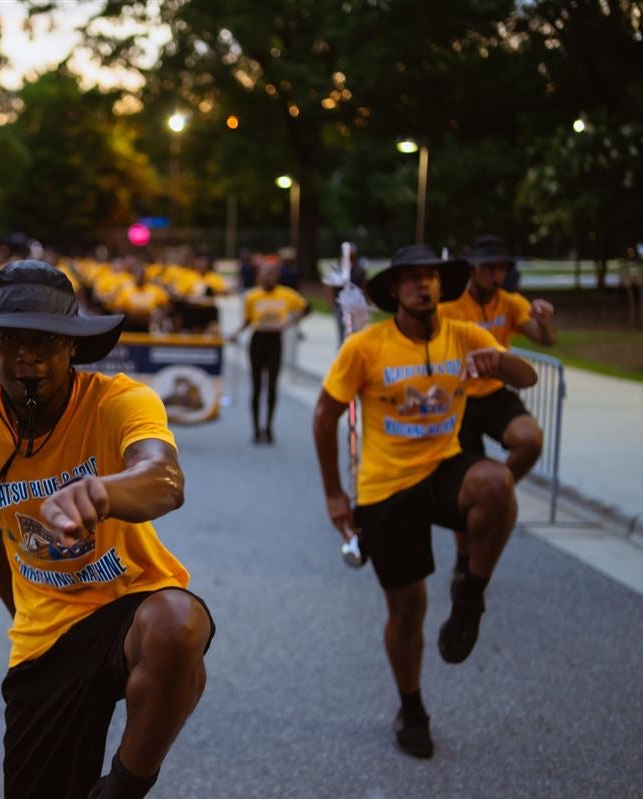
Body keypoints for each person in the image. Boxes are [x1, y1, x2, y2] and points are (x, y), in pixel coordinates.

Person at [0, 261, 215, 799]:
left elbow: (164, 477)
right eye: (10, 338)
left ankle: (124, 789)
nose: (27, 356)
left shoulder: (118, 402)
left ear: (73, 348)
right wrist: (25, 613)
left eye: (47, 339)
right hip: (47, 633)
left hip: (130, 603)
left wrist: (103, 491)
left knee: (178, 625)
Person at [312, 244, 536, 759]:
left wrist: (499, 361)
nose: (423, 285)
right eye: (411, 278)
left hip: (443, 467)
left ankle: (471, 596)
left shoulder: (464, 335)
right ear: (394, 290)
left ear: (441, 285)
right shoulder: (367, 346)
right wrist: (333, 495)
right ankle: (411, 707)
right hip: (386, 488)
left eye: (430, 277)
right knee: (408, 609)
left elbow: (528, 378)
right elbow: (325, 416)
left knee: (497, 484)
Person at [439, 235, 556, 588]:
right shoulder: (450, 304)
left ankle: (498, 490)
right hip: (459, 398)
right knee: (463, 487)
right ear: (473, 268)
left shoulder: (510, 302)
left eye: (502, 267)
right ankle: (463, 557)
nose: (496, 274)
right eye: (489, 267)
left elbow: (545, 340)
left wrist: (545, 317)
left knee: (530, 439)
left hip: (493, 392)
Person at [231, 260, 310, 444]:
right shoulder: (252, 296)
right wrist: (236, 333)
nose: (269, 277)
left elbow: (306, 308)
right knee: (257, 386)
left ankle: (269, 426)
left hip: (275, 340)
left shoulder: (286, 294)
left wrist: (291, 322)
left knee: (272, 386)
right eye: (266, 274)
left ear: (277, 277)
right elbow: (248, 320)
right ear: (259, 277)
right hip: (258, 340)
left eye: (273, 274)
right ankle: (256, 429)